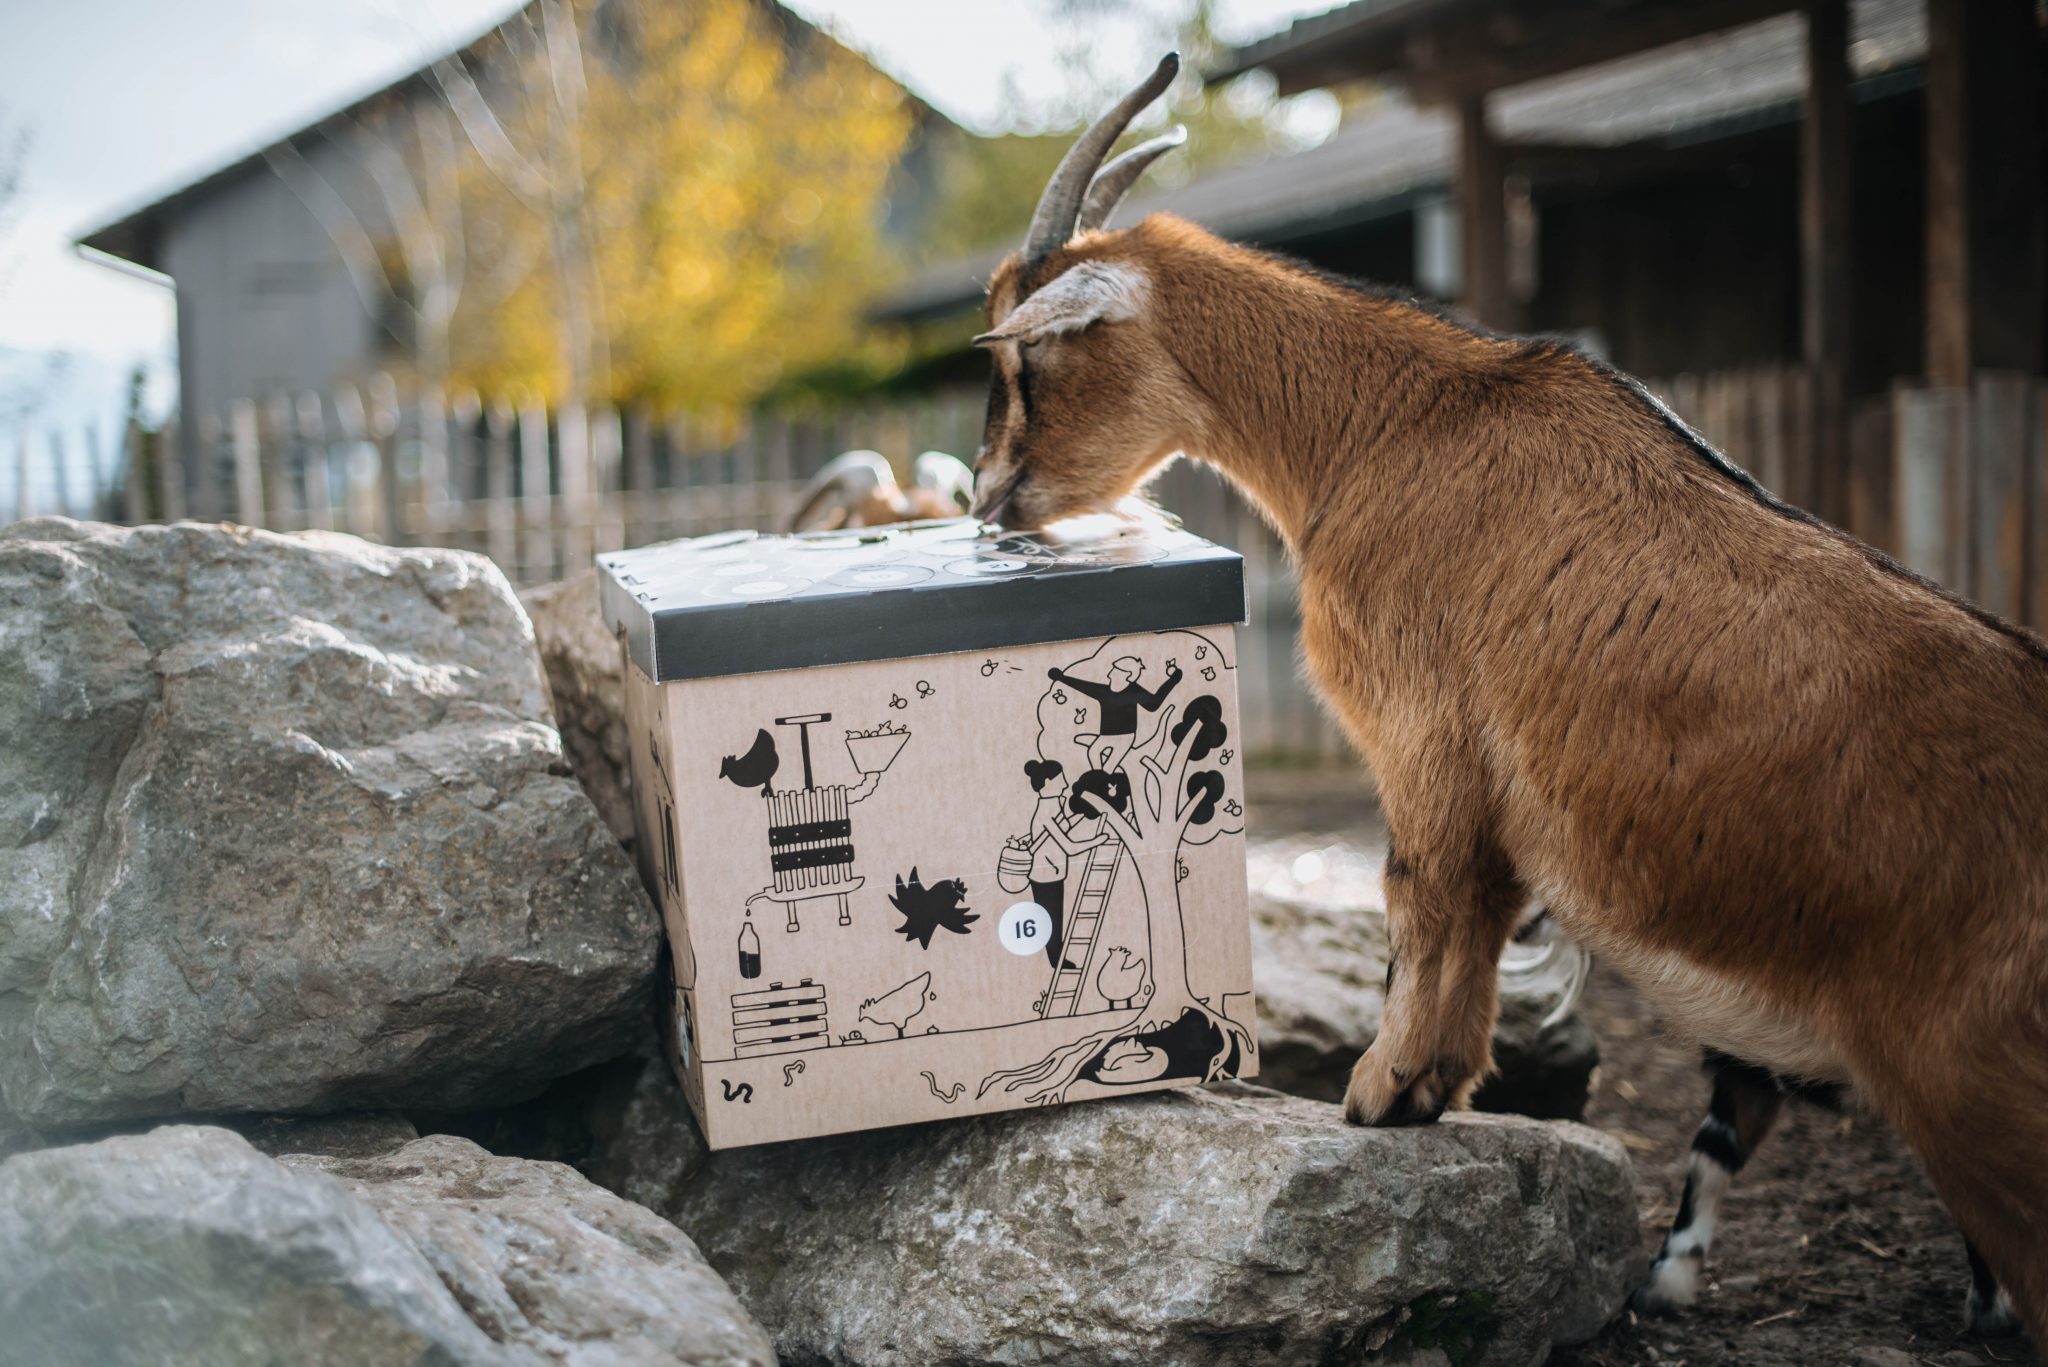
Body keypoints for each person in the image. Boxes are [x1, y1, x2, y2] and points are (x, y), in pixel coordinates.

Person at [1022, 759, 1107, 970]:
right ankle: (1055, 959)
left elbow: (1063, 831)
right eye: (1061, 779)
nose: (1066, 784)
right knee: (1050, 920)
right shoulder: (1045, 813)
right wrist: (1097, 840)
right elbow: (1069, 847)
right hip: (1045, 877)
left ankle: (1057, 956)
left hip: (1054, 874)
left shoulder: (1053, 806)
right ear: (1048, 782)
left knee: (1054, 918)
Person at [1049, 655, 1181, 774]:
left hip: (1125, 736)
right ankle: (1098, 780)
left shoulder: (1134, 691)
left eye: (1114, 670)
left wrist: (1174, 678)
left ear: (1127, 675)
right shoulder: (1104, 692)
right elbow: (1083, 686)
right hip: (1105, 735)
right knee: (1093, 752)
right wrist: (1061, 677)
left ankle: (1103, 783)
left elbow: (1153, 704)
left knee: (1109, 767)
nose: (1109, 674)